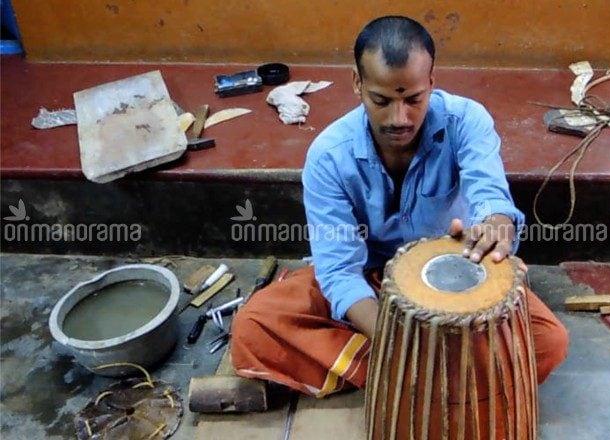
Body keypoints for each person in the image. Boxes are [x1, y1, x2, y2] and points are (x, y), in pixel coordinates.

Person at [231, 15, 567, 398]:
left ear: (431, 83)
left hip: (449, 275)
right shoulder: (328, 156)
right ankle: (433, 377)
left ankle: (392, 377)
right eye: (382, 100)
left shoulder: (466, 121)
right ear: (357, 83)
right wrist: (401, 342)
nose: (399, 118)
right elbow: (340, 270)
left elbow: (490, 196)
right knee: (254, 325)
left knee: (547, 341)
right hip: (369, 276)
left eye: (413, 99)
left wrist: (495, 222)